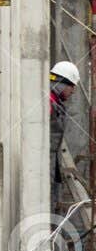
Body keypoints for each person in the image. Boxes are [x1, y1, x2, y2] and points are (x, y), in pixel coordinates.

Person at [50, 61, 80, 202]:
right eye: (72, 86)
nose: (73, 91)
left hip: (51, 160)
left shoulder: (55, 101)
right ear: (62, 83)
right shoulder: (48, 102)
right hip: (44, 163)